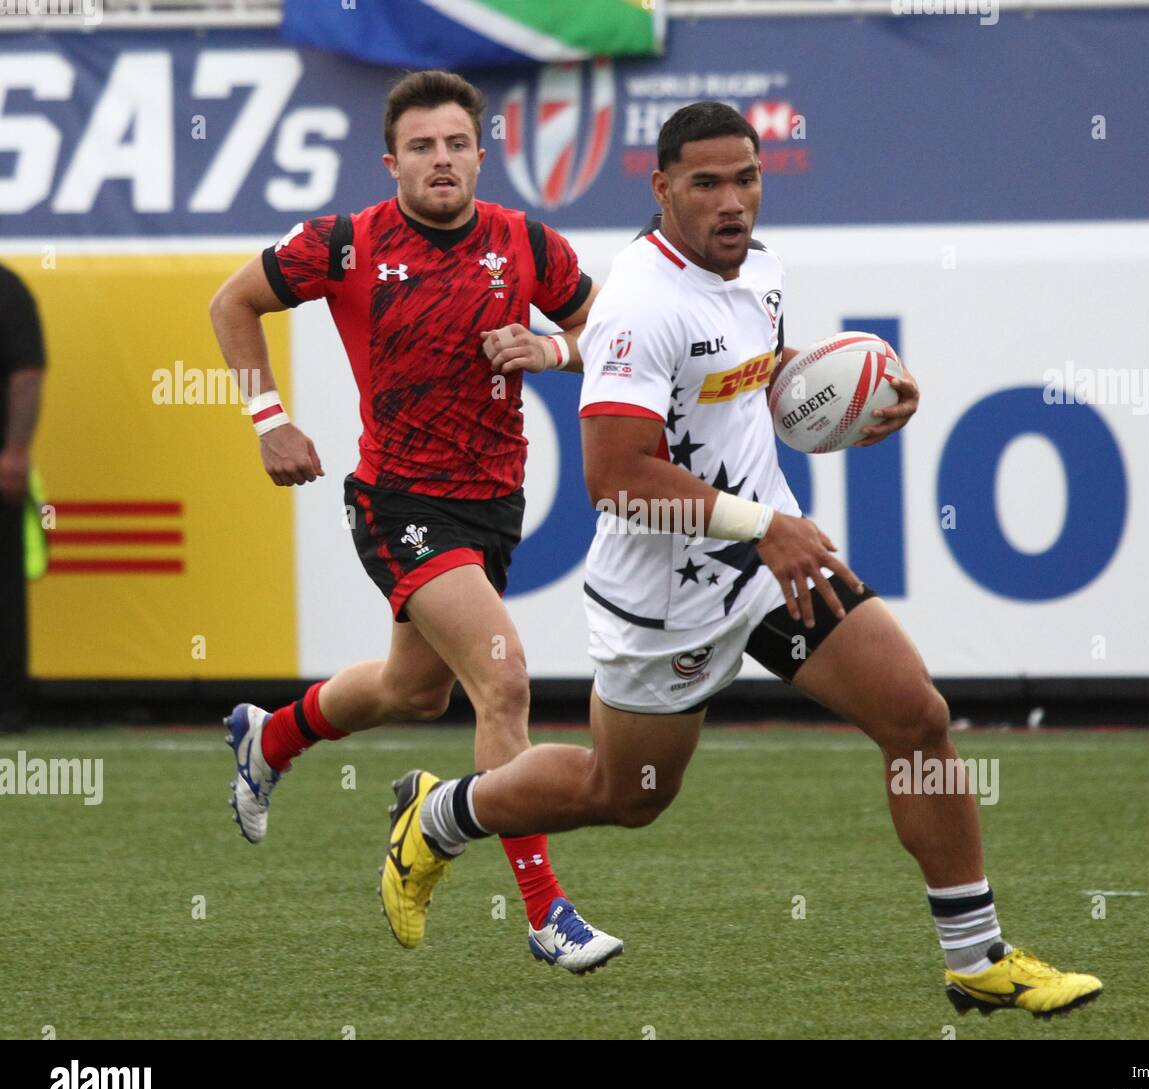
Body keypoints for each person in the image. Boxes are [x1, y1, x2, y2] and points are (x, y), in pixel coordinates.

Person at [383, 101, 1103, 1016]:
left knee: (917, 718)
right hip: (664, 601)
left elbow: (749, 366)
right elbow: (613, 478)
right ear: (662, 189)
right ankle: (442, 816)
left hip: (770, 570)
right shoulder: (639, 305)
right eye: (707, 183)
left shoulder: (757, 265)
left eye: (747, 179)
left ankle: (977, 959)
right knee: (627, 793)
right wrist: (762, 523)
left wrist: (859, 392)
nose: (733, 202)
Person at [208, 70, 620, 972]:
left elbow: (613, 334)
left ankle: (269, 734)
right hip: (398, 501)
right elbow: (230, 303)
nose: (442, 160)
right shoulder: (347, 243)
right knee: (503, 682)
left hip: (493, 503)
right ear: (391, 160)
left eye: (456, 144)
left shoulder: (526, 243)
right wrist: (268, 420)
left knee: (414, 691)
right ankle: (548, 914)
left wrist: (552, 348)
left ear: (482, 151)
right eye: (422, 147)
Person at [0, 263, 46, 734]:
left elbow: (27, 373)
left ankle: (6, 707)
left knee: (4, 588)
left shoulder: (6, 290)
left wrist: (15, 451)